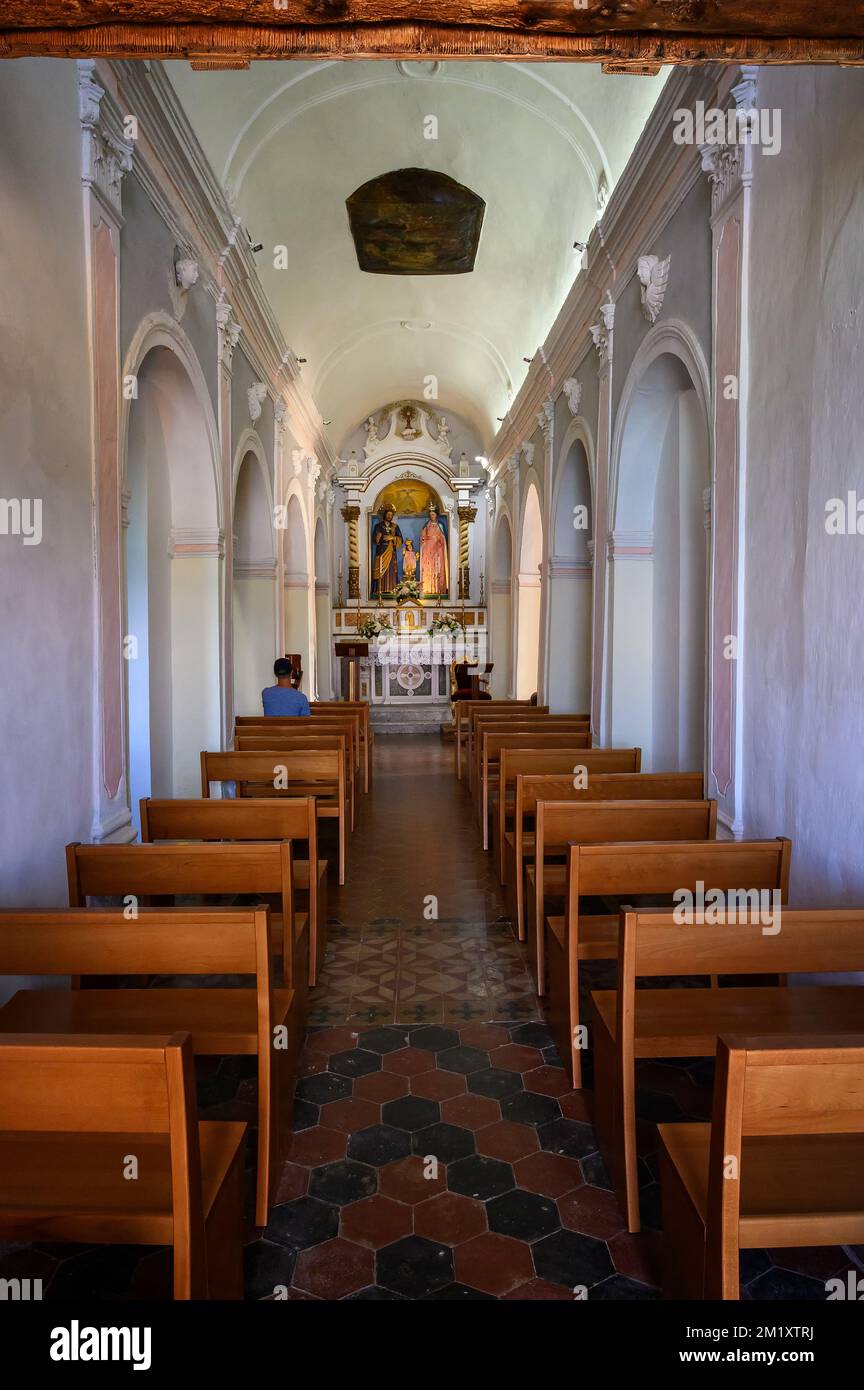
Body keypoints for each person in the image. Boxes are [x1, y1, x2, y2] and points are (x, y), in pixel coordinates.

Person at [371, 506, 403, 596]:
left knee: (392, 570)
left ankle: (392, 589)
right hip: (381, 551)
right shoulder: (379, 526)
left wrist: (392, 537)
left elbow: (401, 540)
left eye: (391, 515)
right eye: (388, 514)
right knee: (380, 570)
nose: (389, 516)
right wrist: (378, 537)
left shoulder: (395, 527)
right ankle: (379, 590)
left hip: (391, 552)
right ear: (384, 515)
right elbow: (374, 540)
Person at [420, 505, 449, 595]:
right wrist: (423, 540)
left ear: (436, 515)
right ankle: (428, 589)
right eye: (431, 515)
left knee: (438, 567)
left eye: (433, 514)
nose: (432, 516)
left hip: (437, 550)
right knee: (428, 568)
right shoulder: (426, 525)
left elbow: (444, 538)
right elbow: (422, 537)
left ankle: (439, 588)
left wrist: (440, 541)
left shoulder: (440, 525)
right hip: (428, 549)